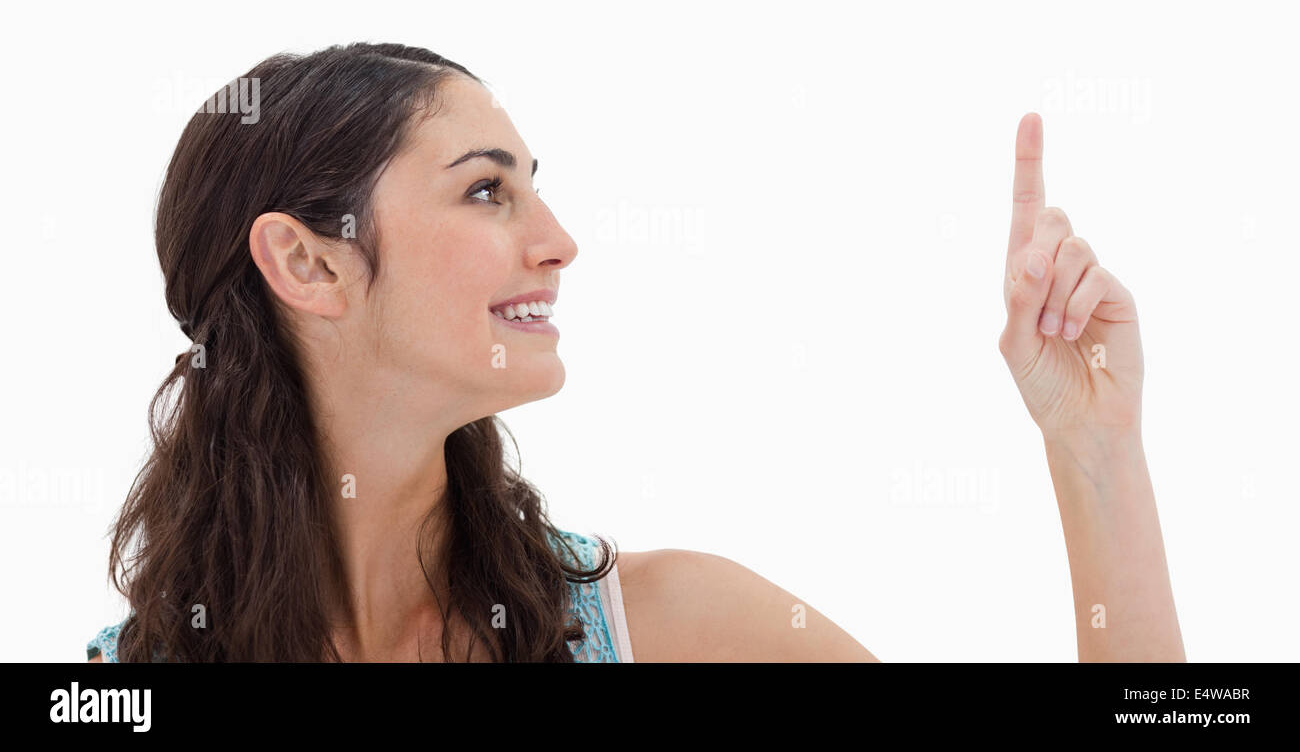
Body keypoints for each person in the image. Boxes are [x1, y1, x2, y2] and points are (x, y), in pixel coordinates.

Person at [88, 42, 1183, 662]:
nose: (557, 241)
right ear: (310, 264)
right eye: (485, 189)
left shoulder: (671, 626)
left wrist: (1095, 451)